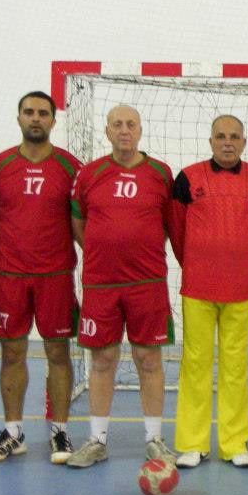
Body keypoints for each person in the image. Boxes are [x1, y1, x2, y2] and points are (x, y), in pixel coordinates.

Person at [65, 105, 176, 468]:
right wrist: (104, 250)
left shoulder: (161, 173)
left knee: (148, 359)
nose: (124, 130)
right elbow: (78, 222)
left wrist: (138, 248)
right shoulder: (89, 174)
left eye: (131, 124)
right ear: (107, 131)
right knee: (102, 360)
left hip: (148, 283)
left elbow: (169, 223)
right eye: (117, 124)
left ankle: (154, 440)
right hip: (101, 284)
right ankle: (97, 441)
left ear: (140, 130)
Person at [0, 91, 80, 465]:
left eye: (43, 113)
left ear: (53, 120)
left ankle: (60, 432)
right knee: (11, 352)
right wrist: (18, 246)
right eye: (29, 112)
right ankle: (13, 433)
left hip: (56, 275)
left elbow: (80, 218)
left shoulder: (71, 167)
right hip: (10, 276)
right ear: (18, 117)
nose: (36, 118)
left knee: (58, 351)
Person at [168, 115, 248, 469]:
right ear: (211, 141)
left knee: (235, 366)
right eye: (221, 136)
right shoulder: (187, 178)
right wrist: (199, 263)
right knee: (195, 364)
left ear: (244, 142)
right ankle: (192, 443)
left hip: (241, 287)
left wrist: (236, 259)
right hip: (198, 287)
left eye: (234, 136)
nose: (228, 142)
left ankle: (234, 444)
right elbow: (176, 231)